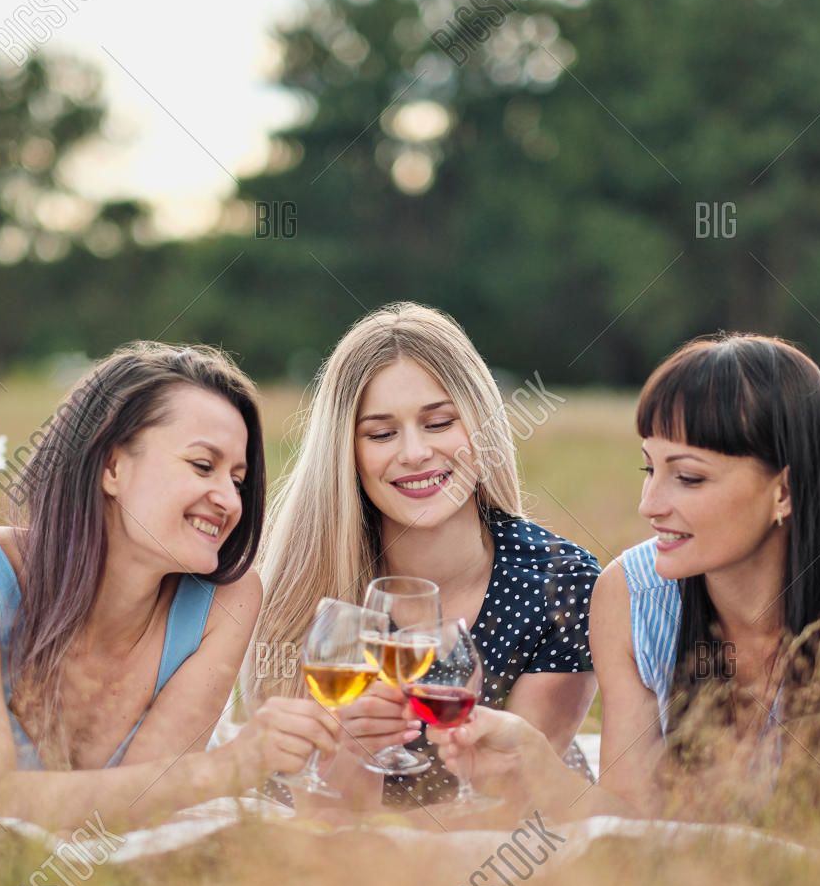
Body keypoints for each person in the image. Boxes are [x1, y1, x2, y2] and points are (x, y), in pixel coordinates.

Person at [430, 333, 820, 839]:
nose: (649, 504)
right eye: (649, 468)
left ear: (785, 491)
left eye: (688, 478)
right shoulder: (629, 595)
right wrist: (537, 767)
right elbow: (630, 822)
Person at [0, 343, 344, 832]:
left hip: (86, 883)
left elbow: (134, 813)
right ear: (112, 467)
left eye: (239, 479)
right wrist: (229, 767)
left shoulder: (227, 602)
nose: (229, 499)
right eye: (203, 466)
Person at [242, 303, 601, 810]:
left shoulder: (563, 584)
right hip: (337, 852)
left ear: (482, 429)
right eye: (382, 434)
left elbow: (509, 808)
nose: (414, 453)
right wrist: (355, 749)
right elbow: (322, 825)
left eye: (438, 423)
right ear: (347, 452)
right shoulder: (306, 584)